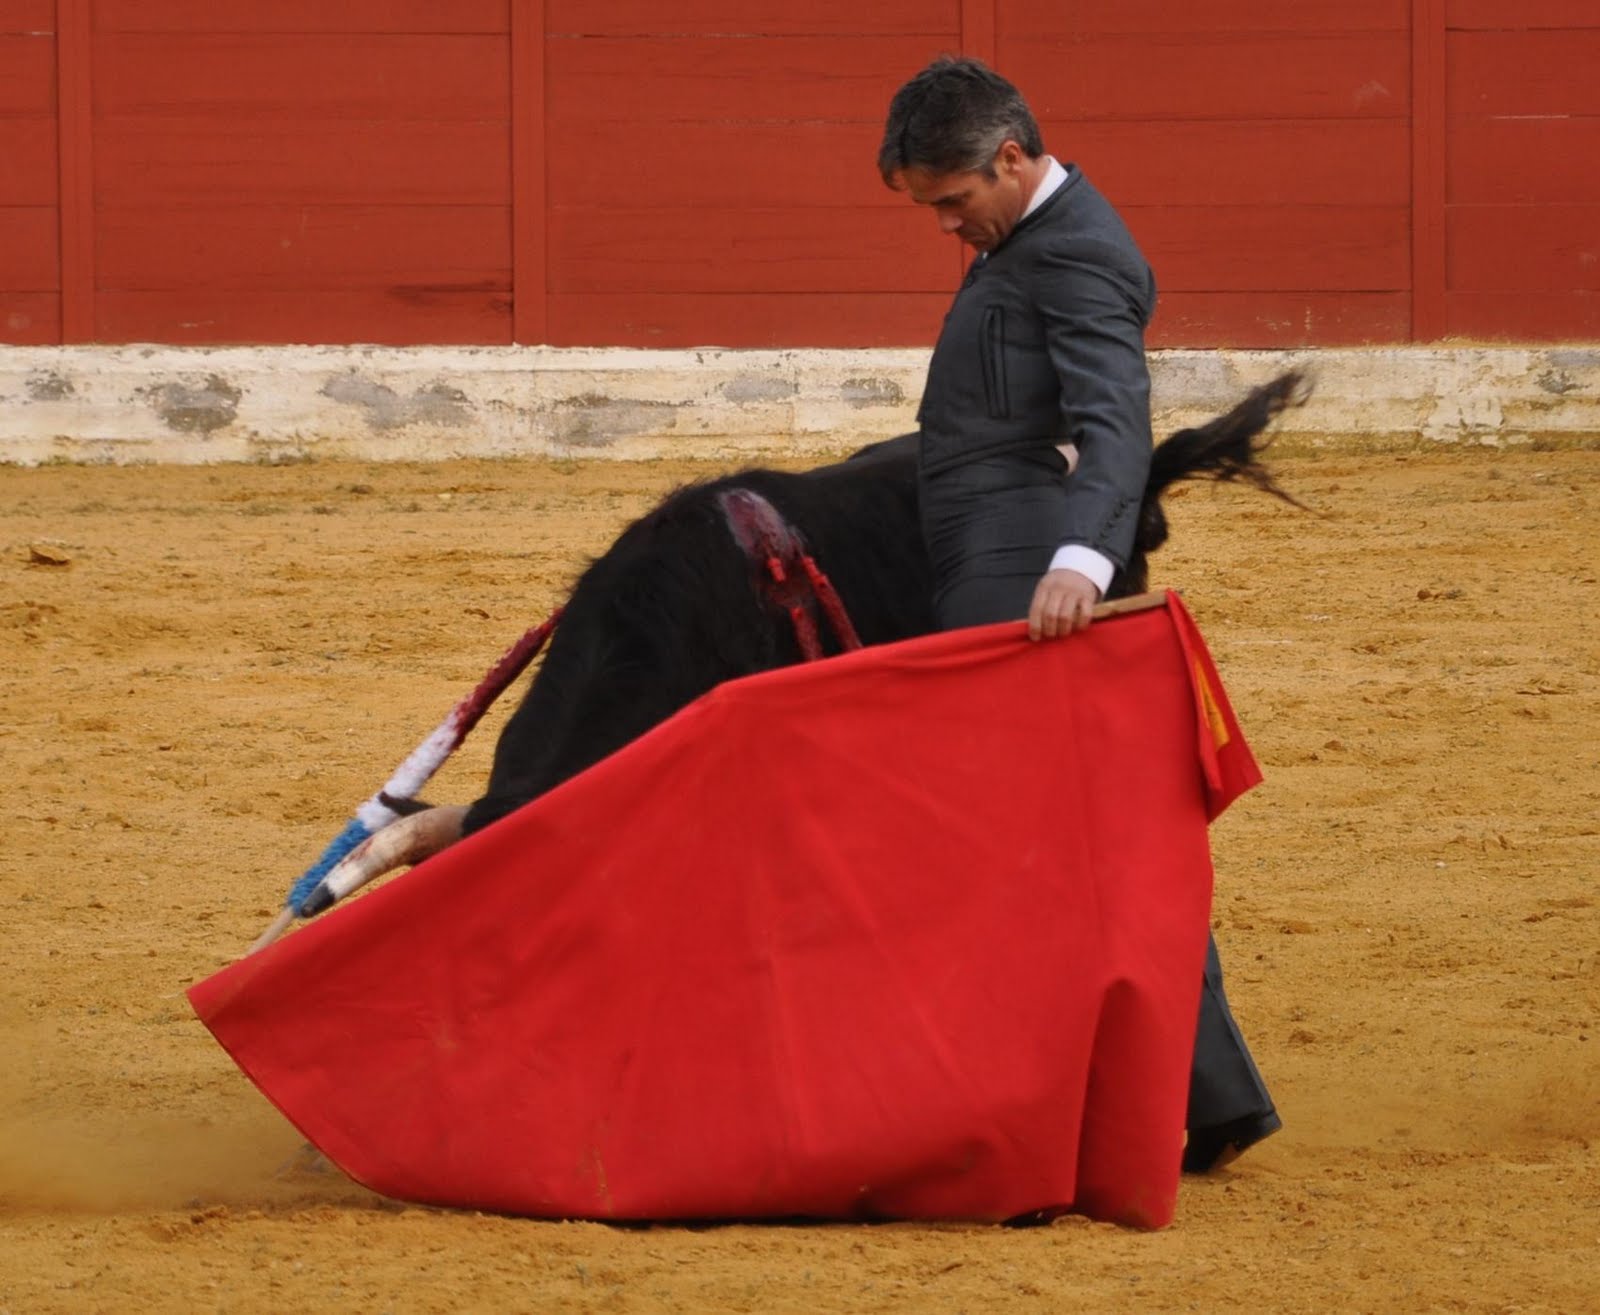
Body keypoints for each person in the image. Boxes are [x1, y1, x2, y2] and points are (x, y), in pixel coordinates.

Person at [879, 55, 1280, 1172]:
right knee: (1073, 836)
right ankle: (1206, 1095)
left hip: (1023, 577)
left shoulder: (1081, 254)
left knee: (1046, 843)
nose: (947, 225)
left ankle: (1157, 1094)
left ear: (1012, 159)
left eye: (953, 201)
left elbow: (1116, 423)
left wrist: (1081, 554)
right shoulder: (1024, 239)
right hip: (985, 557)